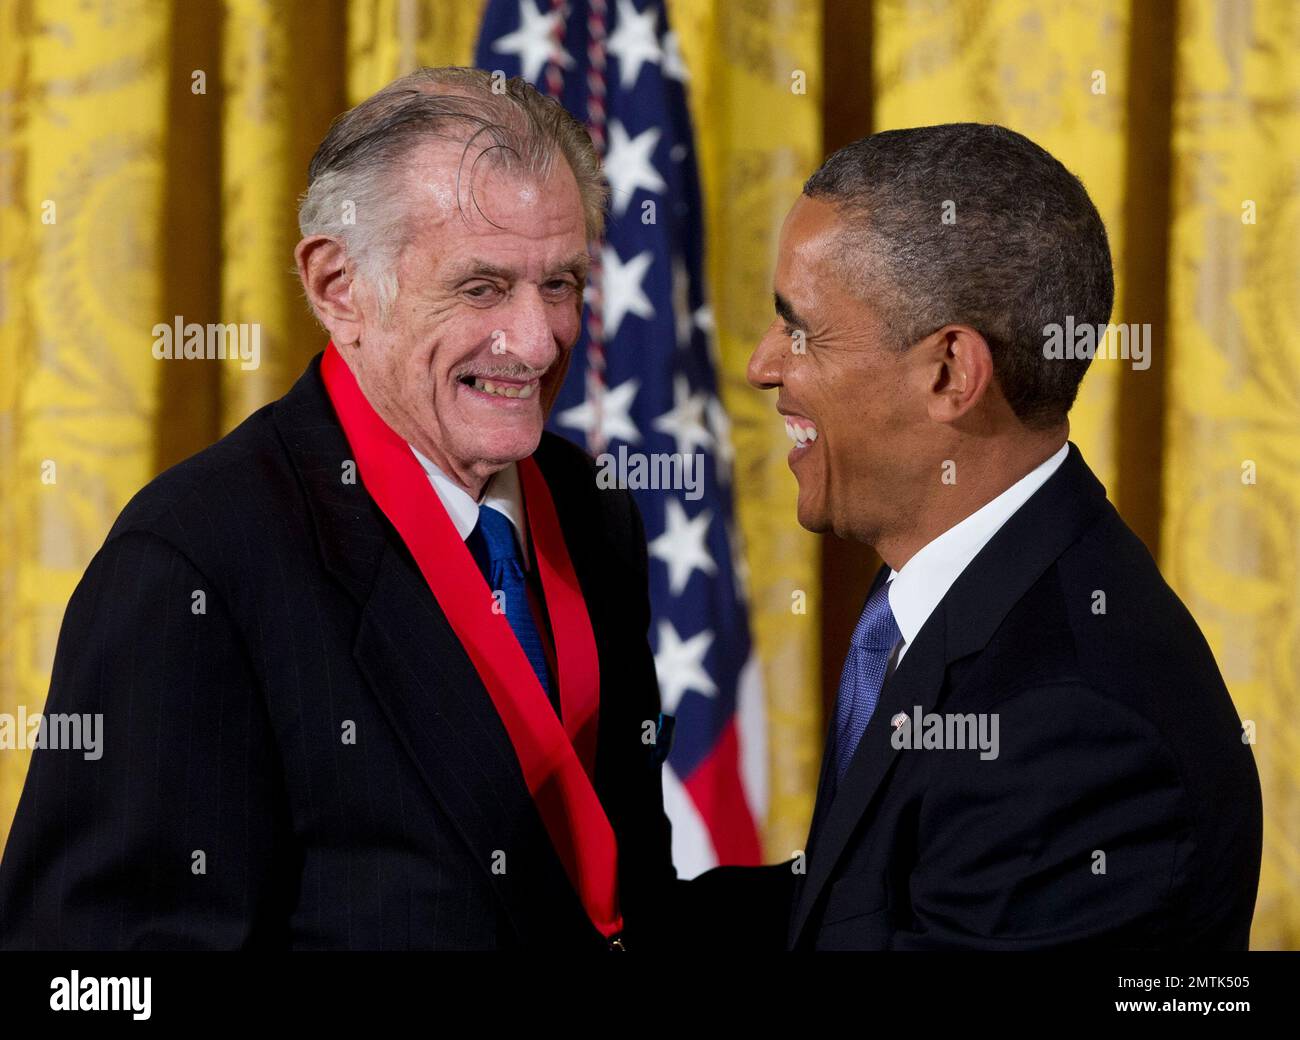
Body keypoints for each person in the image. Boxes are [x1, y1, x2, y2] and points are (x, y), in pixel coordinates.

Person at [0, 67, 674, 950]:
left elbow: (624, 906)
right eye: (483, 289)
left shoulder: (591, 511)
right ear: (337, 285)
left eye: (559, 283)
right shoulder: (194, 564)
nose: (539, 339)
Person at [702, 122, 1262, 950]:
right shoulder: (961, 582)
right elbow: (848, 908)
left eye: (801, 329)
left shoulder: (1070, 729)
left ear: (949, 374)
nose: (761, 364)